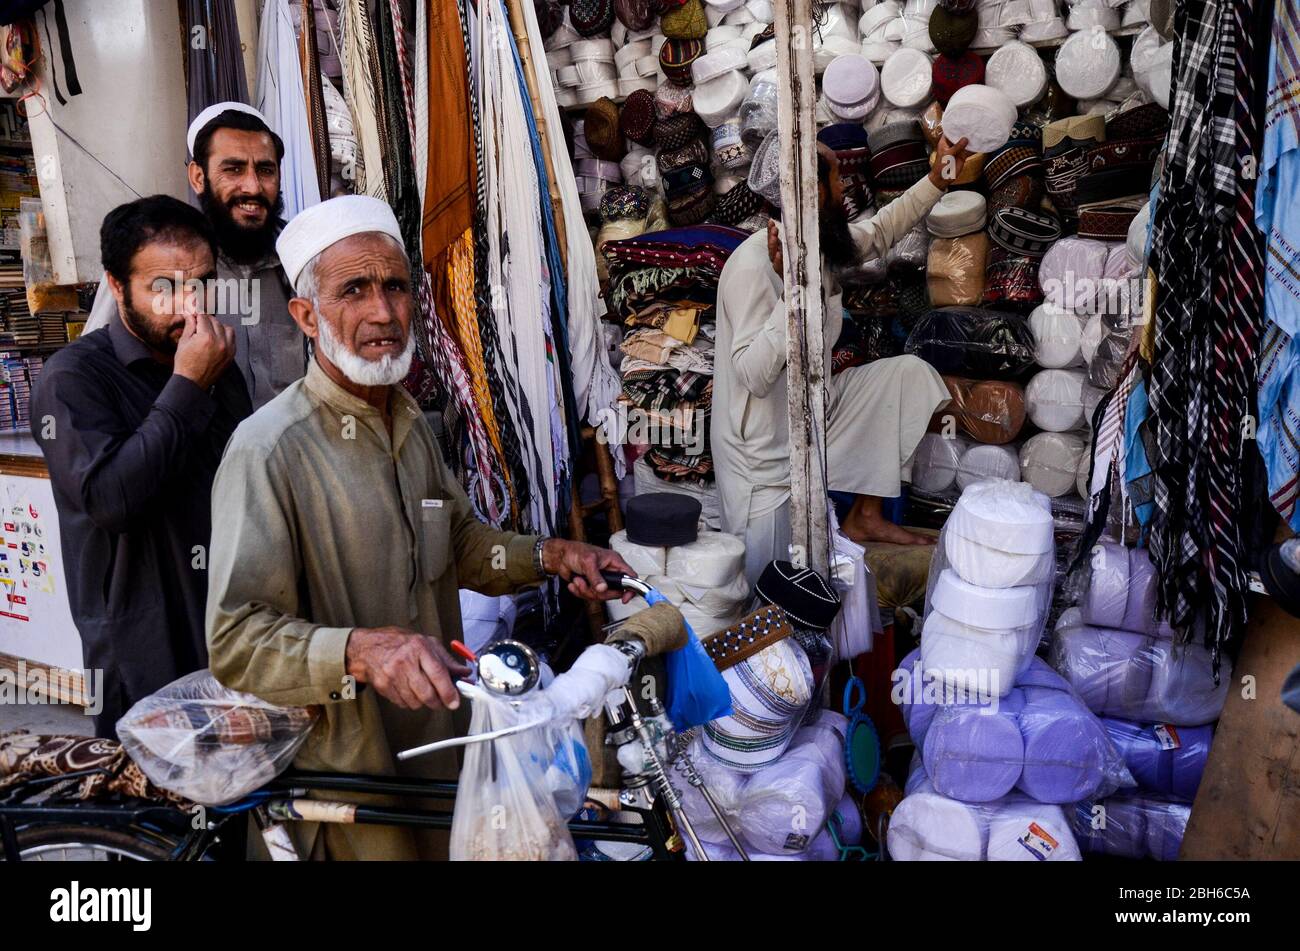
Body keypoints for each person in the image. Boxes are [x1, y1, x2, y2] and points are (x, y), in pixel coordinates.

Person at [205, 195, 638, 860]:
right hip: (347, 778)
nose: (383, 312)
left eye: (396, 286)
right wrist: (361, 651)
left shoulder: (410, 422)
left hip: (444, 753)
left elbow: (461, 545)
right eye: (354, 290)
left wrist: (552, 554)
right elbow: (235, 639)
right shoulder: (268, 449)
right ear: (306, 316)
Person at [32, 196, 251, 738]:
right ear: (115, 284)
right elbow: (111, 499)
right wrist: (186, 386)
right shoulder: (73, 380)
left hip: (231, 635)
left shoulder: (219, 368)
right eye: (163, 288)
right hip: (142, 656)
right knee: (154, 817)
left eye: (200, 282)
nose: (188, 306)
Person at [713, 136, 972, 582]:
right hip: (763, 461)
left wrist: (938, 177)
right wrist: (790, 291)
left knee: (908, 375)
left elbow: (881, 232)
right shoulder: (753, 266)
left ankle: (865, 515)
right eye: (837, 179)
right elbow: (754, 375)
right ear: (811, 193)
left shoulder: (817, 244)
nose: (845, 189)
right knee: (773, 592)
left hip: (814, 415)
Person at [84, 103, 305, 409]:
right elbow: (95, 371)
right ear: (199, 177)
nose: (253, 186)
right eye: (234, 169)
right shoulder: (147, 264)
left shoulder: (300, 259)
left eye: (265, 170)